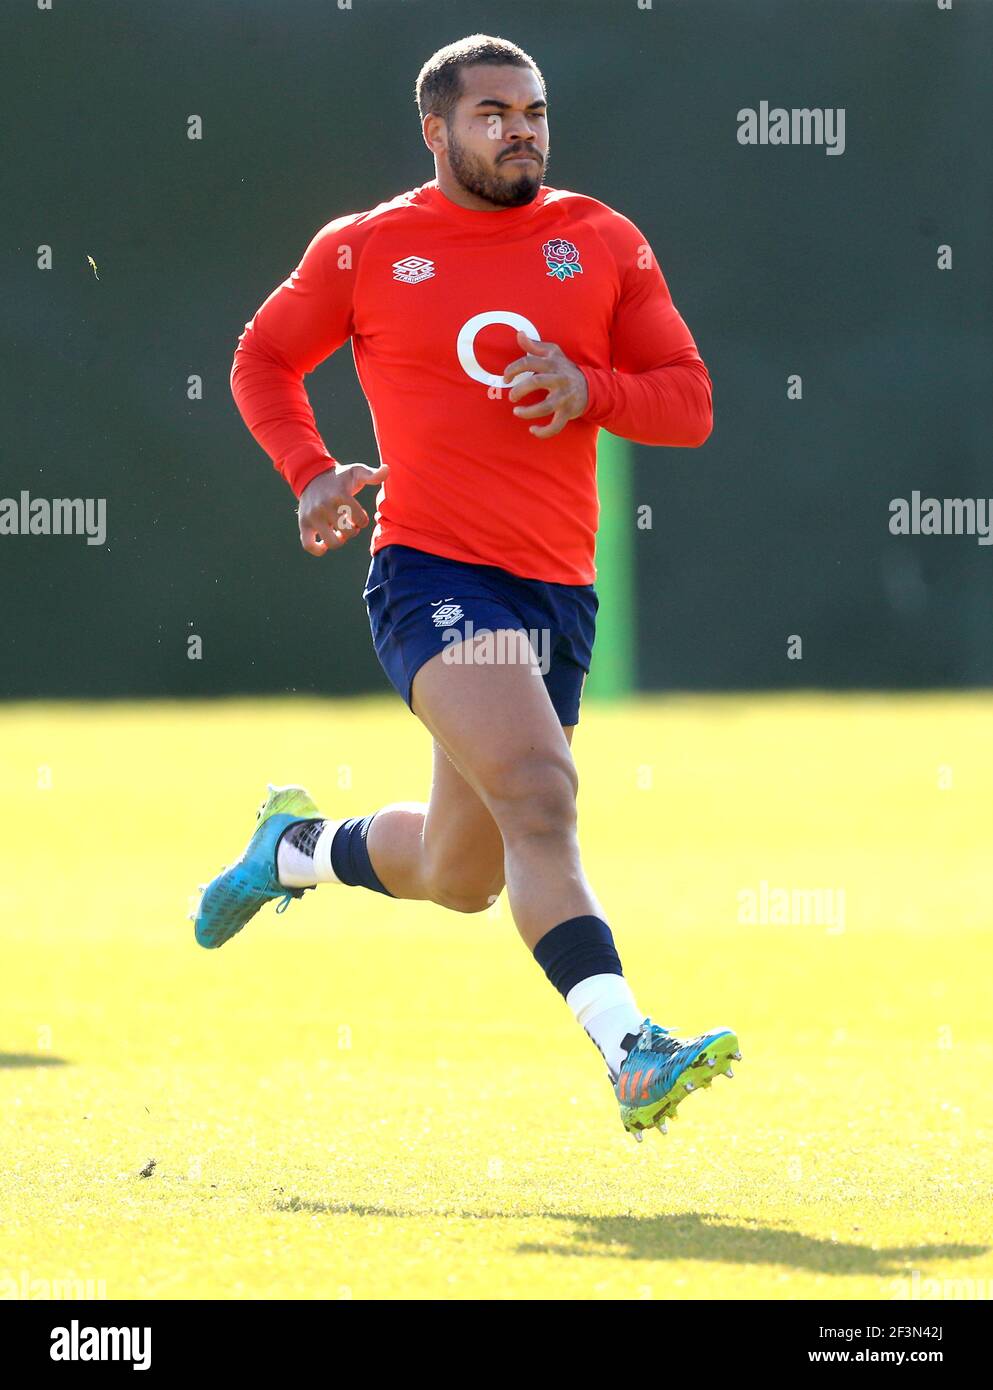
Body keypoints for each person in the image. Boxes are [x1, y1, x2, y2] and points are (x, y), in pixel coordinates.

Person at [195, 33, 740, 1140]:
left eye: (533, 112)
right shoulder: (367, 247)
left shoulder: (602, 239)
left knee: (462, 873)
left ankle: (294, 851)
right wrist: (309, 472)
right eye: (493, 114)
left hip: (558, 592)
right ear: (435, 132)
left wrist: (589, 388)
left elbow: (688, 403)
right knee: (540, 794)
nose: (521, 131)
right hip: (434, 570)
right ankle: (631, 1050)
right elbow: (261, 358)